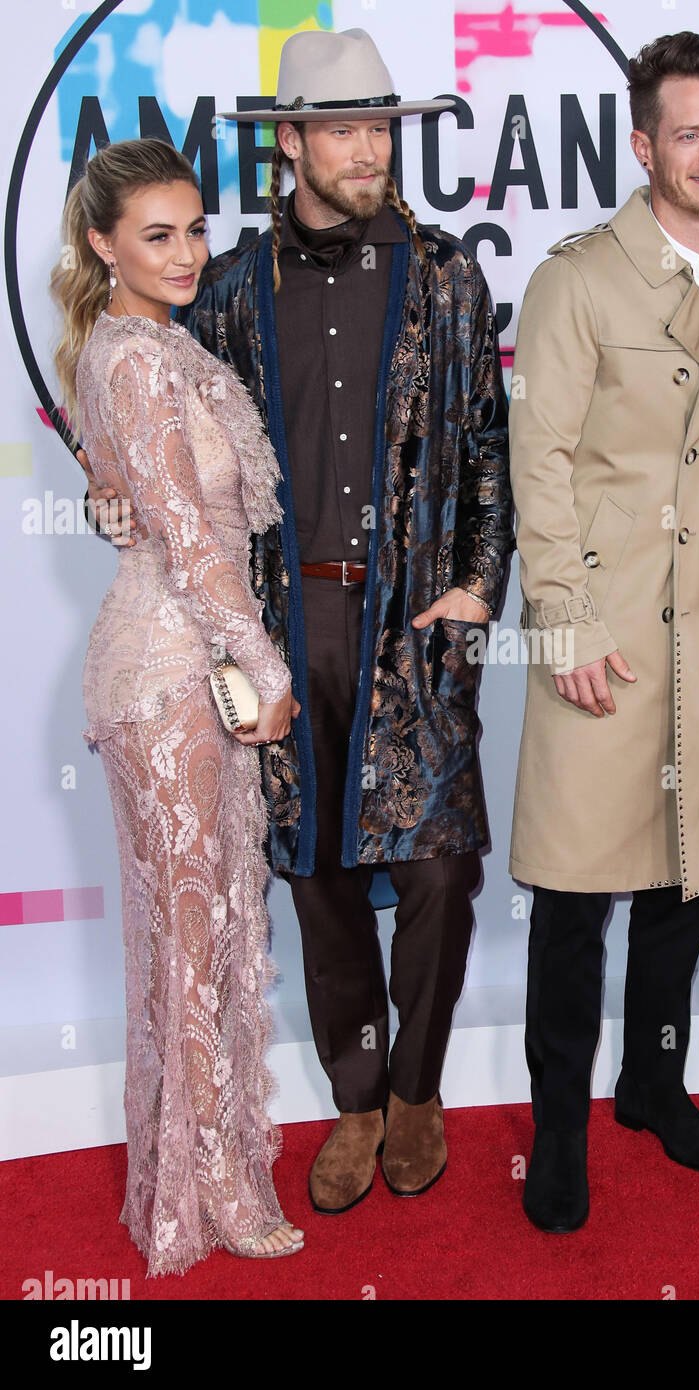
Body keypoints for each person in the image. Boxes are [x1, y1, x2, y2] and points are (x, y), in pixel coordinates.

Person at [85, 28, 511, 1215]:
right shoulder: (225, 288)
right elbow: (159, 433)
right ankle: (359, 1096)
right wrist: (104, 489)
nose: (367, 148)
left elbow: (485, 446)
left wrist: (478, 584)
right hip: (276, 619)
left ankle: (420, 1089)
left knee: (436, 867)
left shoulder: (445, 277)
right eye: (343, 129)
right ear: (292, 142)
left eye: (381, 127)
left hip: (409, 610)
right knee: (315, 866)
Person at [507, 33, 699, 1232]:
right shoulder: (576, 279)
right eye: (688, 133)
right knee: (574, 898)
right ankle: (558, 1131)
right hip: (603, 631)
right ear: (641, 145)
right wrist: (562, 624)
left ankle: (654, 1086)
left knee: (685, 879)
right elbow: (542, 461)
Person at [54, 138, 304, 1272]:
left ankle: (196, 1176)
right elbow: (196, 544)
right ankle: (210, 1191)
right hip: (172, 673)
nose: (190, 251)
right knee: (195, 940)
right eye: (159, 234)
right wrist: (269, 665)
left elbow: (149, 511)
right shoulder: (141, 361)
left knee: (190, 934)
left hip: (171, 666)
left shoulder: (141, 344)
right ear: (101, 243)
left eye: (197, 228)